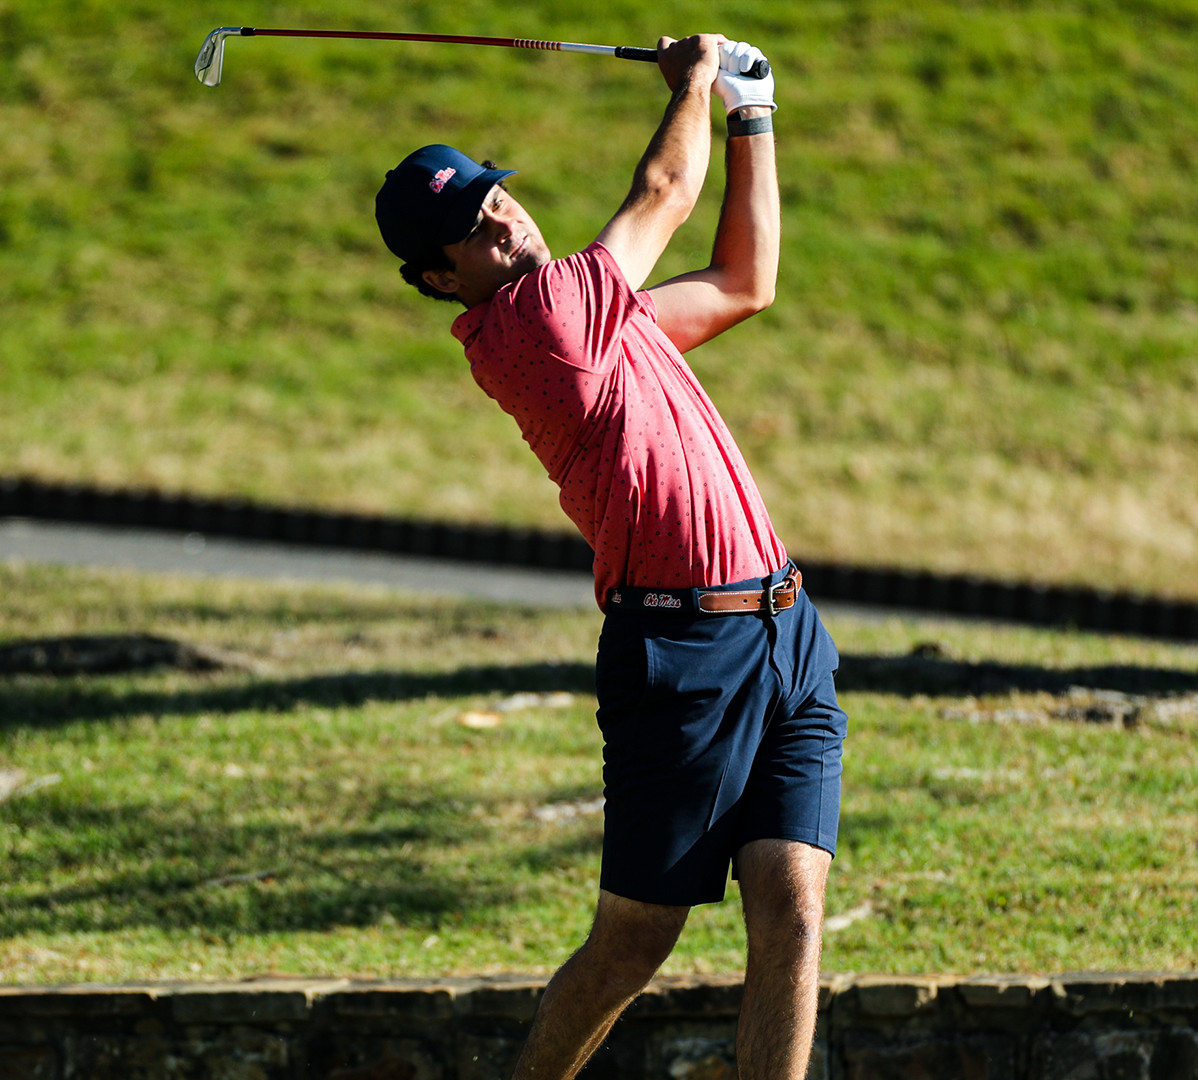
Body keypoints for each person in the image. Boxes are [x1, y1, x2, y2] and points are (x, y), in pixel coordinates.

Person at [373, 33, 845, 1080]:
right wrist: (693, 79)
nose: (501, 219)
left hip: (784, 633)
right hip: (679, 656)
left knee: (794, 908)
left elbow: (744, 281)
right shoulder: (539, 324)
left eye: (496, 196)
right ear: (436, 275)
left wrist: (750, 110)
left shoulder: (602, 313)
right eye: (470, 225)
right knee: (636, 939)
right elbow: (669, 189)